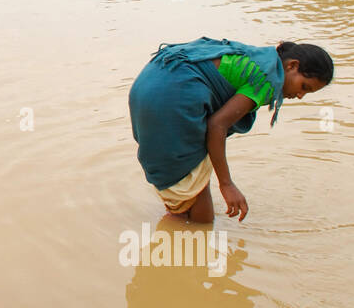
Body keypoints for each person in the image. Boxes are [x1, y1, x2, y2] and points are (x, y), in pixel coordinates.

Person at [127, 38, 334, 223]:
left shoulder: (257, 56)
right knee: (203, 220)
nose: (299, 96)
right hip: (171, 99)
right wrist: (226, 185)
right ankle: (186, 244)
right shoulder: (267, 79)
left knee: (188, 195)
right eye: (304, 87)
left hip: (149, 83)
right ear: (292, 66)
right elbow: (217, 125)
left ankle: (174, 234)